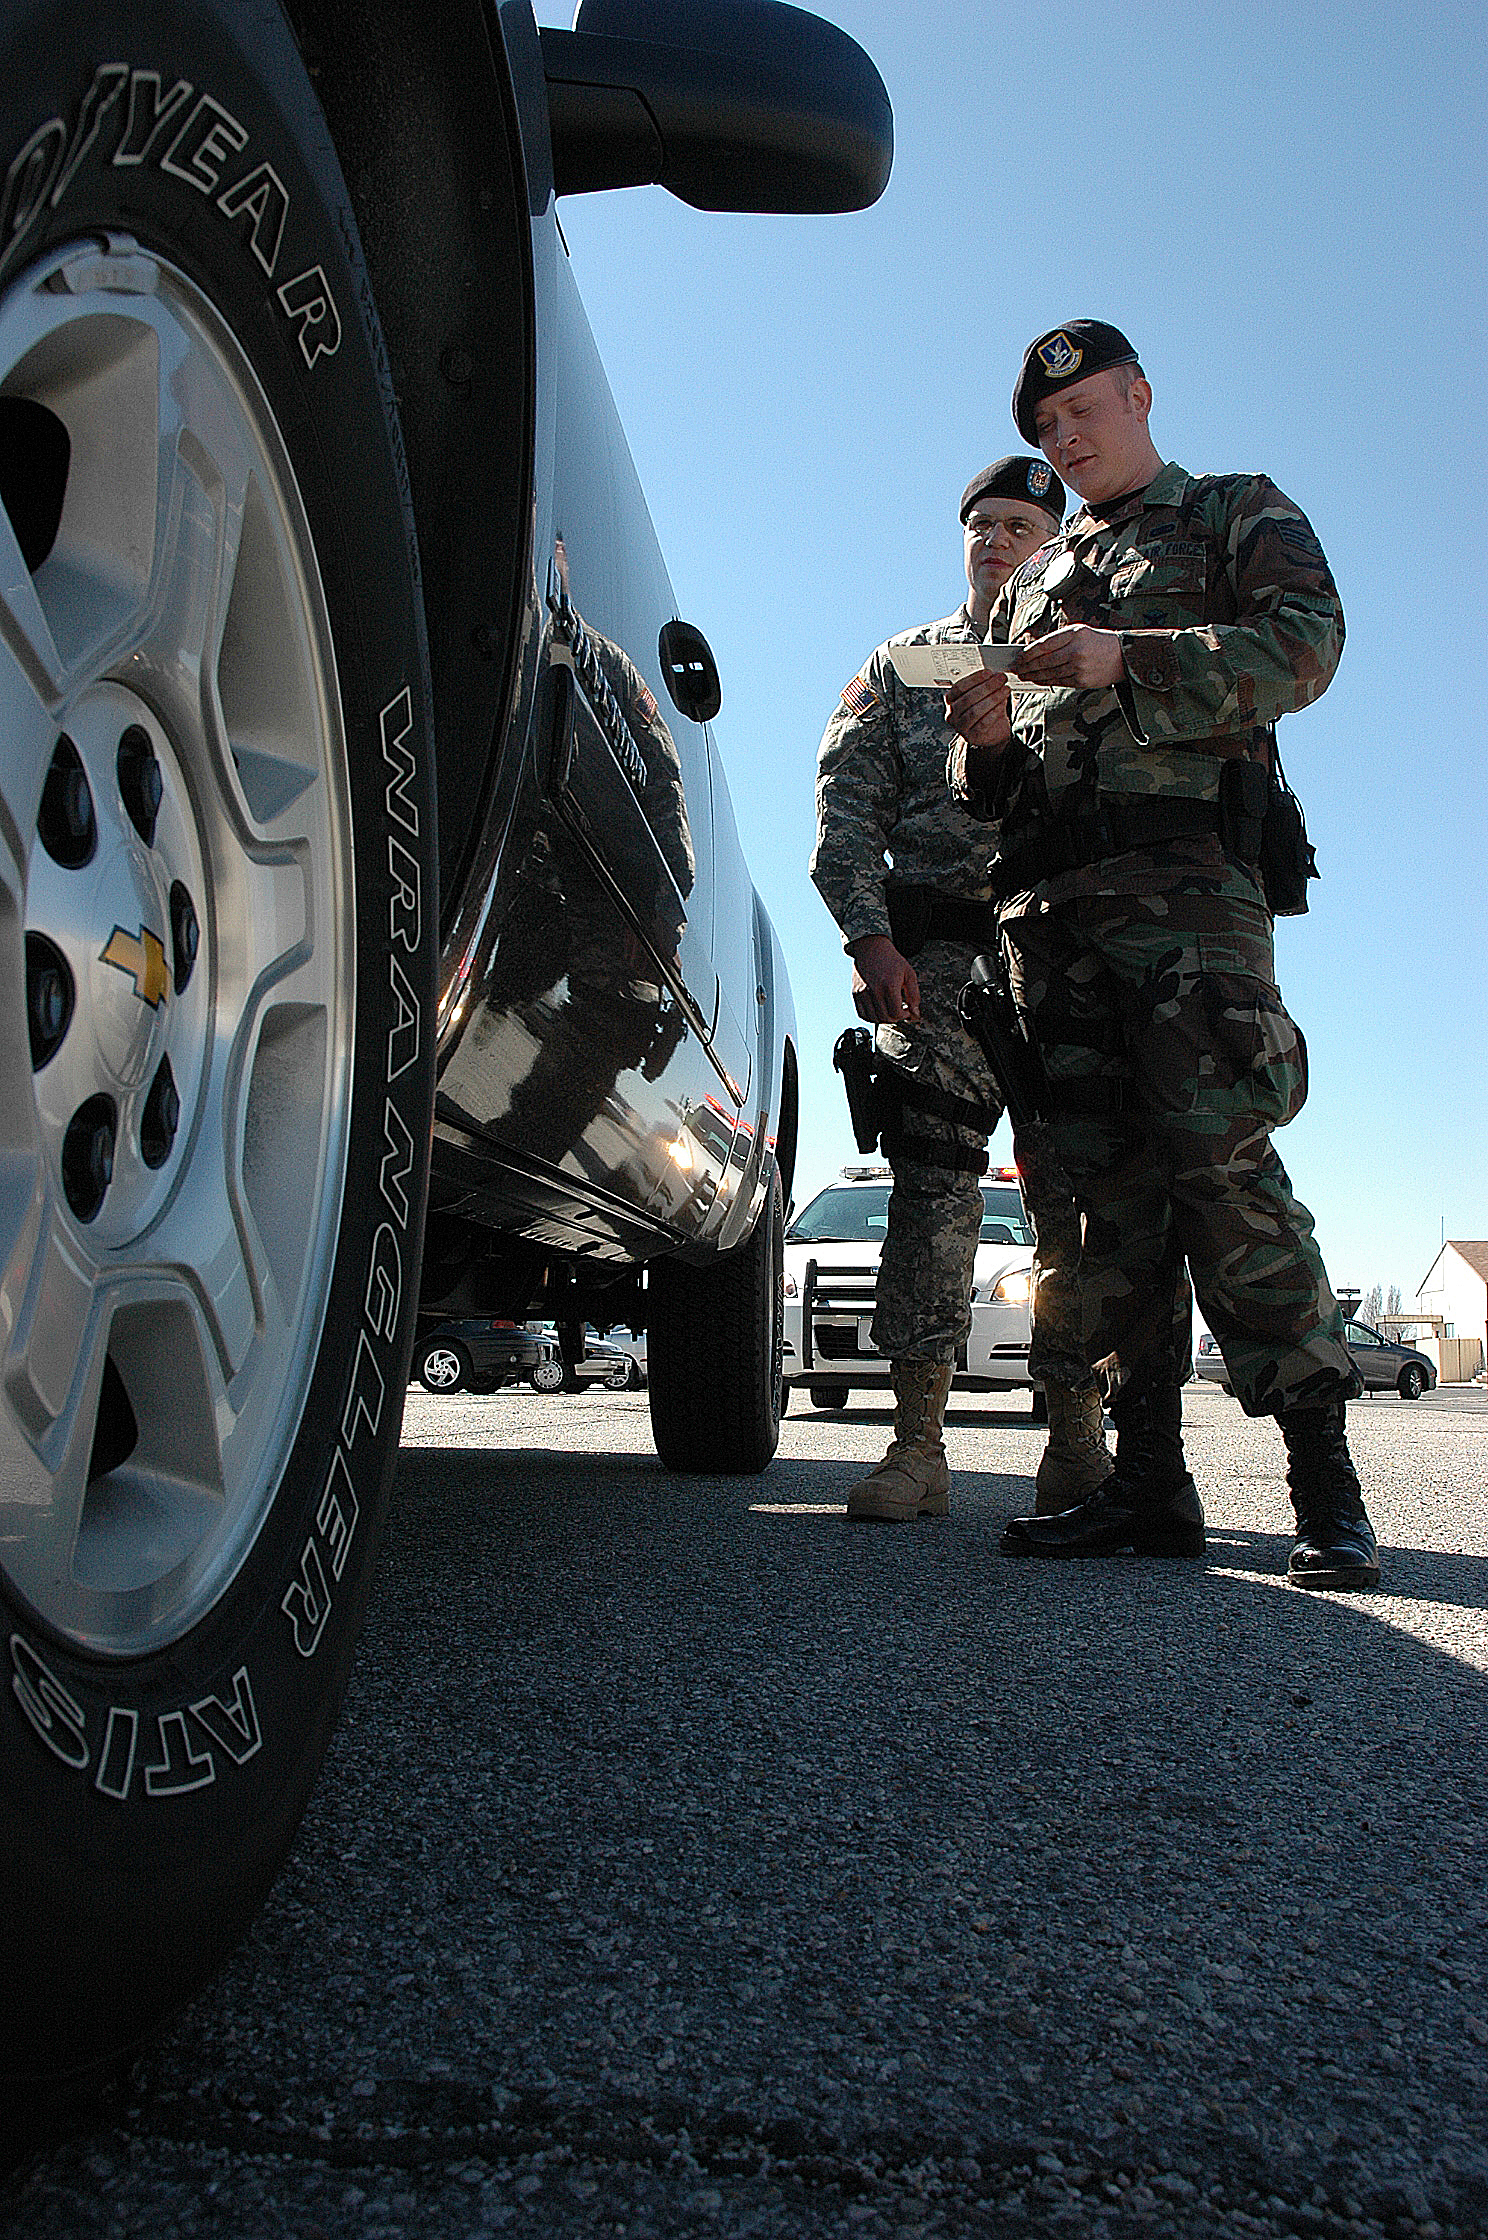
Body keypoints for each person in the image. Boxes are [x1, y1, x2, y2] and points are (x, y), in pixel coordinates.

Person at [944, 321, 1378, 1588]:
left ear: (1140, 396)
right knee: (1096, 1200)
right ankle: (1148, 1484)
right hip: (1055, 916)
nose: (1066, 440)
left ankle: (1326, 1488)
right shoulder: (1029, 585)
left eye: (1083, 411)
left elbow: (1309, 646)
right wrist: (984, 736)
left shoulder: (1235, 512)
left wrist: (1129, 658)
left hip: (1189, 901)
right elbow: (1000, 783)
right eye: (1045, 430)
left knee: (1220, 1164)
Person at [812, 454, 1118, 1521]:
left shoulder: (1090, 654)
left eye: (1022, 524)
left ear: (1057, 540)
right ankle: (917, 1445)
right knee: (932, 1189)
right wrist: (869, 943)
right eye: (982, 522)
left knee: (1070, 1198)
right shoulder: (905, 662)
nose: (997, 539)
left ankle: (1077, 1442)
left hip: (1063, 960)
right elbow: (845, 810)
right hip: (931, 969)